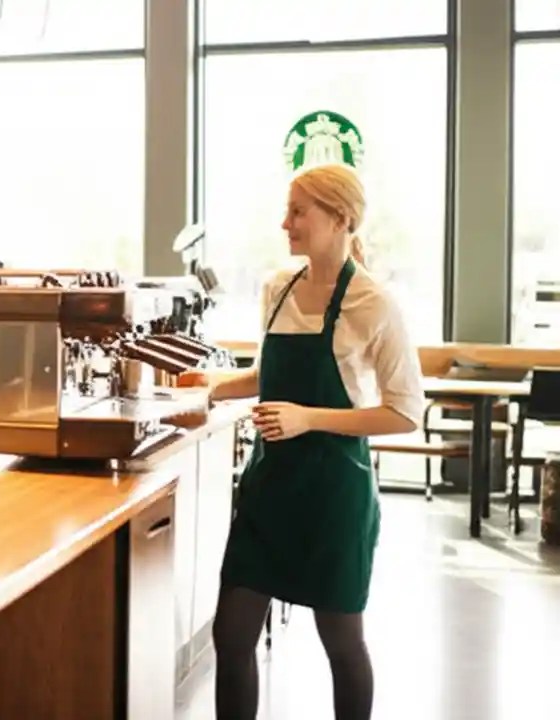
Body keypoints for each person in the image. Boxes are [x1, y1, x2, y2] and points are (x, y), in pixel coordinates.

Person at [185, 163, 424, 720]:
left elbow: (404, 413)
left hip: (334, 495)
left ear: (340, 218)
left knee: (342, 642)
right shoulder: (277, 288)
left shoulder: (375, 304)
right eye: (288, 210)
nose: (284, 223)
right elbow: (266, 379)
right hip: (270, 488)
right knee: (233, 633)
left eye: (298, 211)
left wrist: (309, 419)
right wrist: (209, 387)